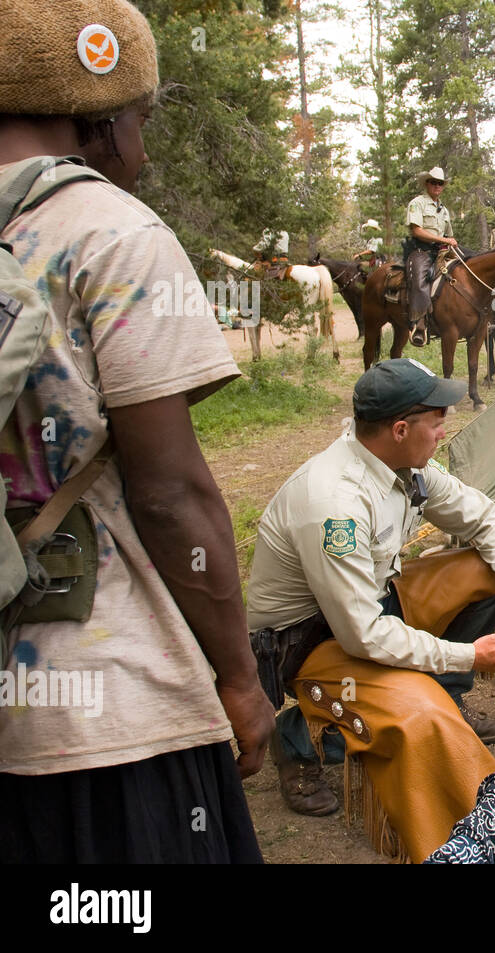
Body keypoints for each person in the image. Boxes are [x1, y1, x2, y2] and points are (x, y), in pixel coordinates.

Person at [0, 0, 272, 863]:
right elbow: (171, 492)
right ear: (100, 119)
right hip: (106, 714)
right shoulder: (112, 233)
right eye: (141, 120)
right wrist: (237, 675)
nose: (144, 151)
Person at [245, 358, 495, 833]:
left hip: (367, 604)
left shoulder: (403, 464)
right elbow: (362, 634)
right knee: (411, 715)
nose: (445, 430)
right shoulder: (334, 503)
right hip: (306, 639)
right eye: (437, 419)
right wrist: (469, 655)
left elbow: (481, 515)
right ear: (401, 428)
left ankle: (448, 698)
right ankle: (298, 740)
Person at [404, 167, 457, 334]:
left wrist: (450, 244)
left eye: (440, 183)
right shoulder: (417, 203)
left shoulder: (444, 210)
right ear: (427, 183)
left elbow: (450, 235)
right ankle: (419, 323)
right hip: (421, 250)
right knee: (420, 279)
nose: (437, 186)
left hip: (441, 251)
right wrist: (444, 240)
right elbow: (417, 231)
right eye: (433, 182)